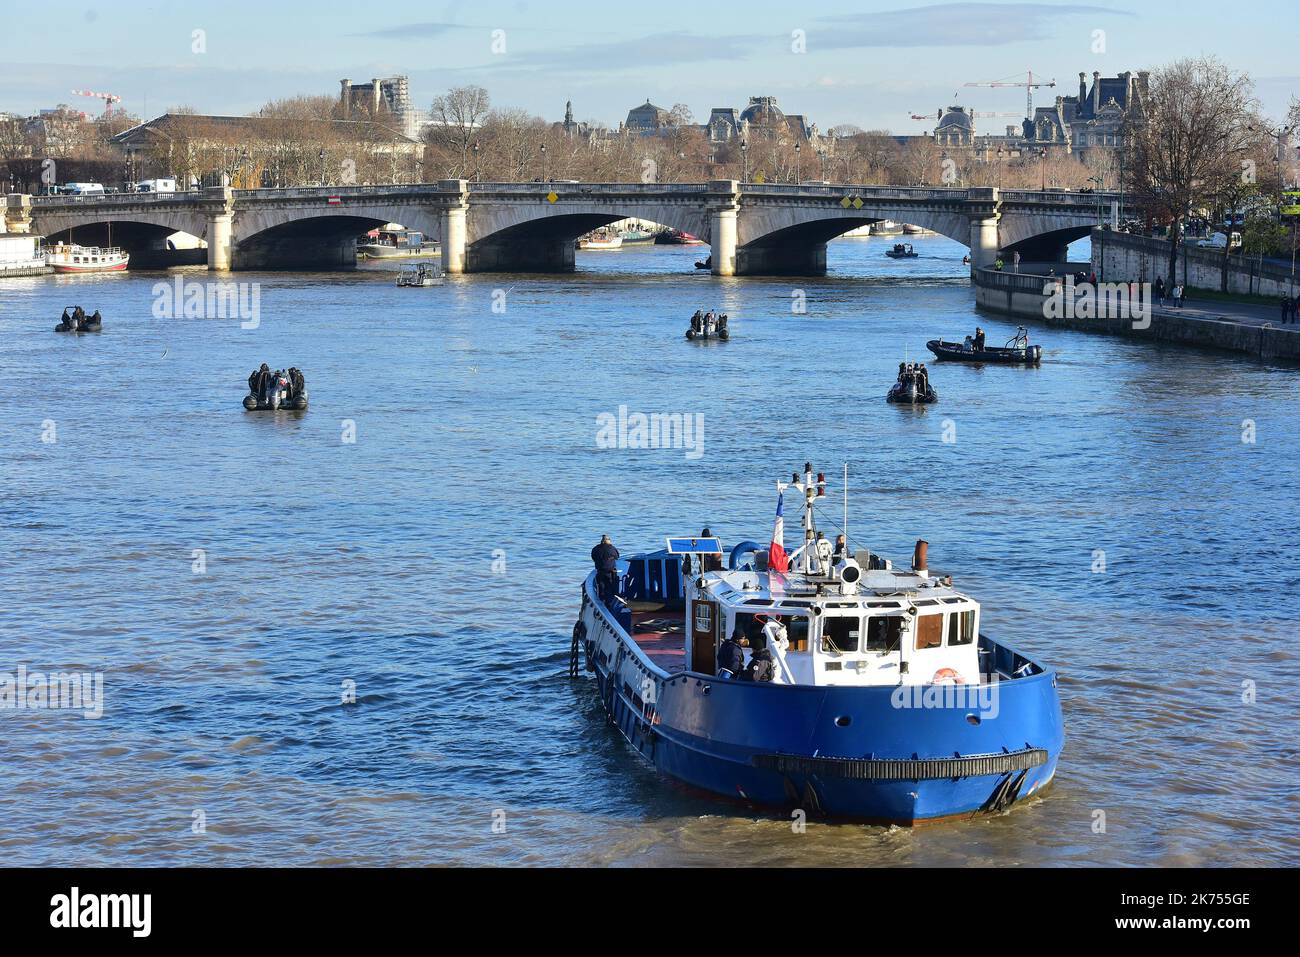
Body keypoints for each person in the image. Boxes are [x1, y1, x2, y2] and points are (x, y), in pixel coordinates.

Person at [591, 534, 620, 603]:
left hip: (600, 570)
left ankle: (602, 599)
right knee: (609, 585)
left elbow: (593, 557)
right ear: (608, 541)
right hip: (610, 570)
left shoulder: (596, 548)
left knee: (601, 585)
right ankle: (610, 600)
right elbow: (617, 556)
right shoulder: (612, 548)